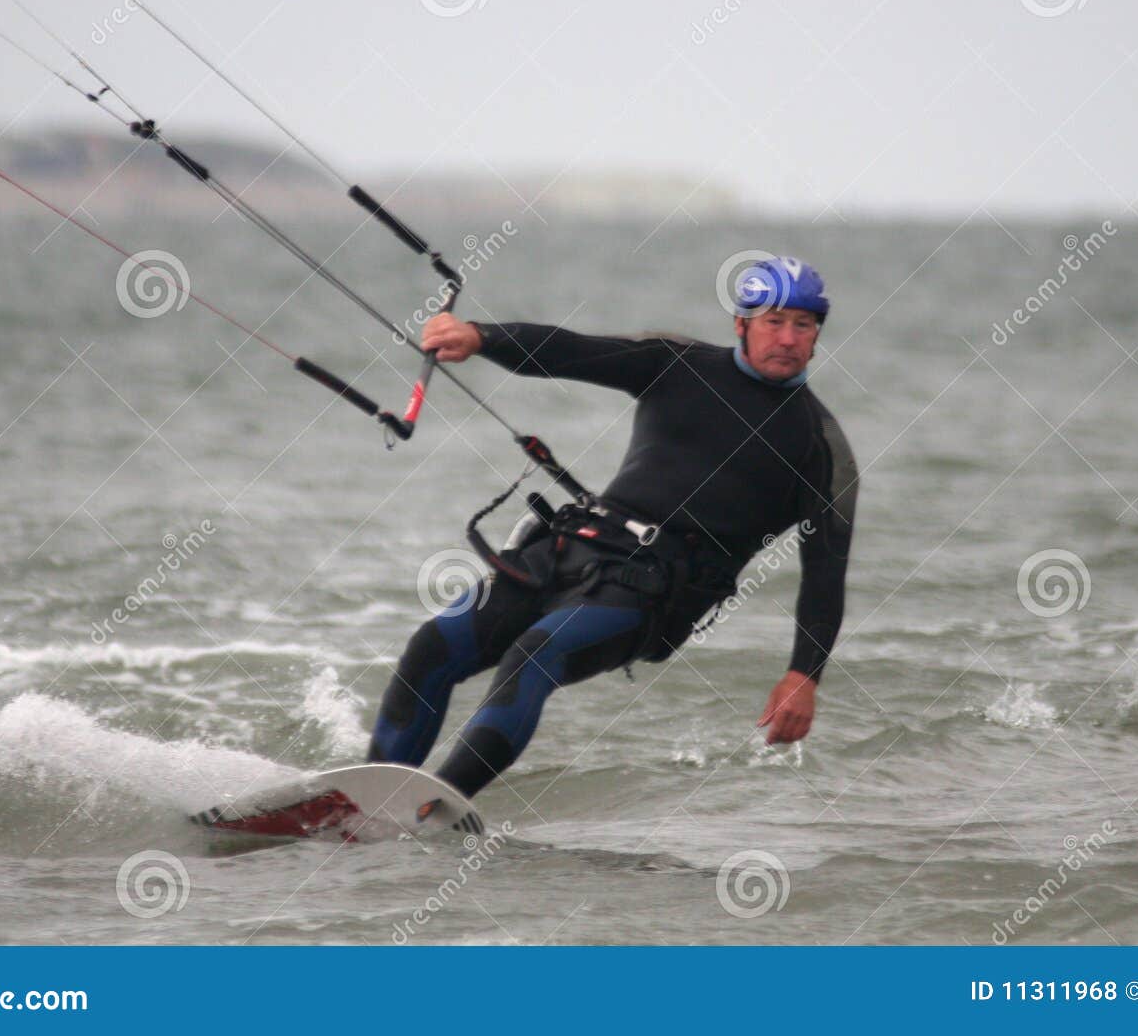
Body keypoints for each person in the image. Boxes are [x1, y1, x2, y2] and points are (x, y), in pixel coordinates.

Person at [367, 257, 858, 799]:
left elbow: (824, 575)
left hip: (655, 593)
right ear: (741, 324)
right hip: (574, 547)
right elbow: (572, 350)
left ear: (817, 333)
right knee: (433, 646)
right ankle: (364, 802)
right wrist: (481, 337)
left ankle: (430, 808)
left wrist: (802, 676)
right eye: (773, 321)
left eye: (803, 325)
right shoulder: (675, 363)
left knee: (533, 655)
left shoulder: (820, 447)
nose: (788, 338)